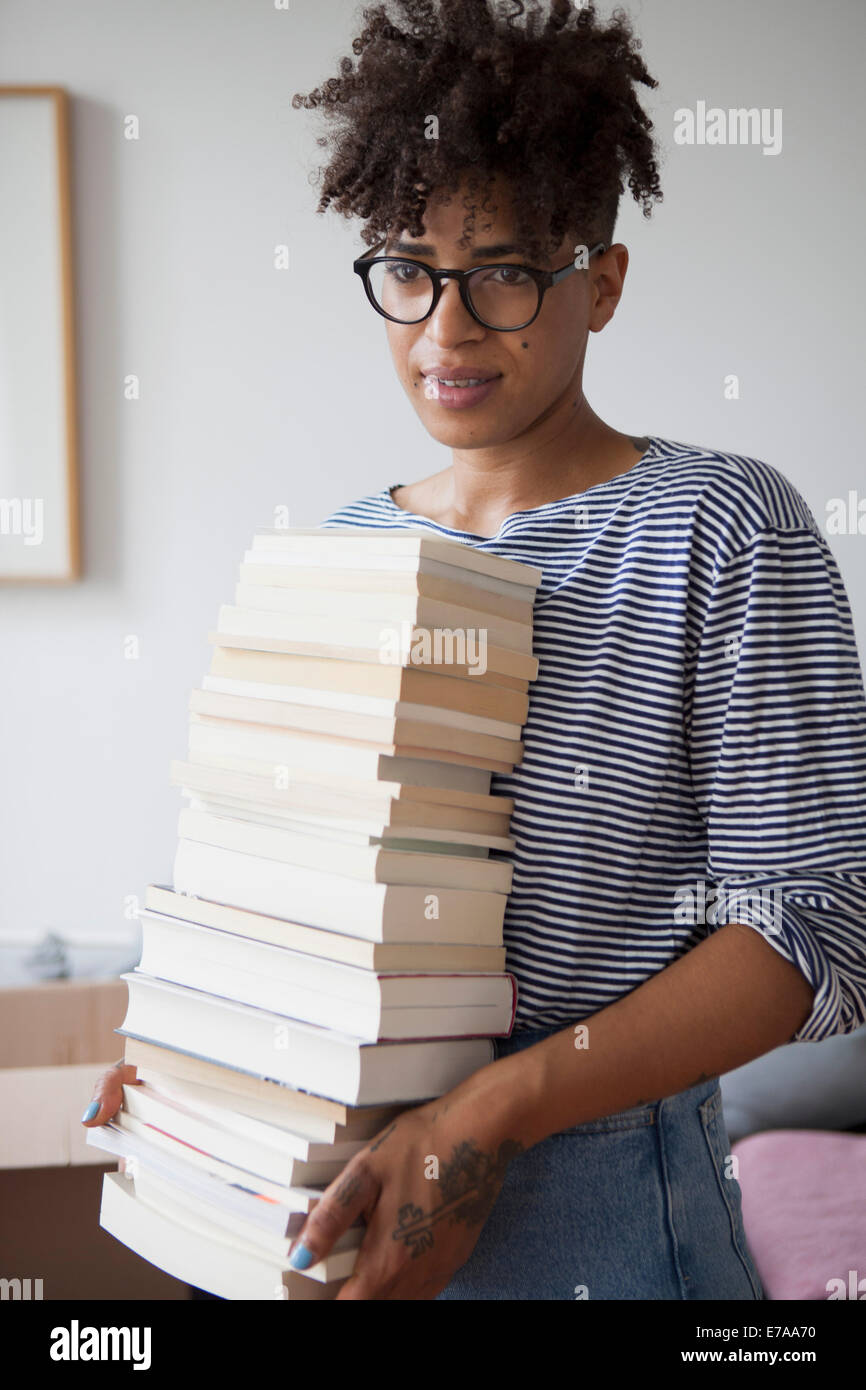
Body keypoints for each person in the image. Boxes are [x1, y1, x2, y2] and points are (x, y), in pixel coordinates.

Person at [83, 0, 866, 1300]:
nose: (444, 331)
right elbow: (288, 889)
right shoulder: (336, 545)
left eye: (502, 272)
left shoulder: (722, 526)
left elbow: (806, 929)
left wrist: (487, 1113)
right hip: (344, 1177)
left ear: (598, 280)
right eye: (407, 268)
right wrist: (200, 1049)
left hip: (603, 1198)